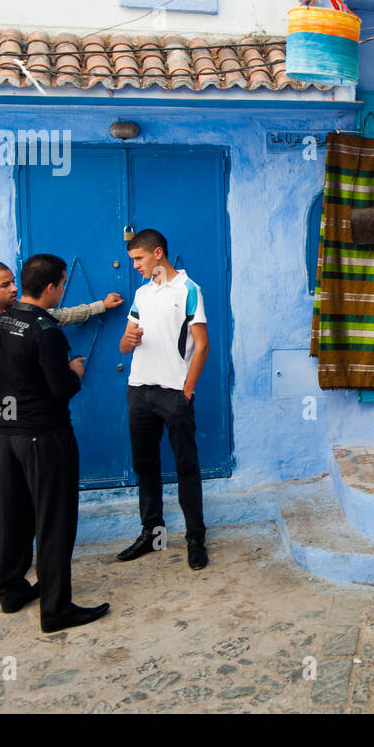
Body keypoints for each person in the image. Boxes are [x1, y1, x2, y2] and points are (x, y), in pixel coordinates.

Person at [0, 260, 121, 576]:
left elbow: (59, 315)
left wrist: (100, 306)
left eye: (13, 281)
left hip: (20, 423)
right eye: (5, 285)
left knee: (23, 496)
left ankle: (15, 569)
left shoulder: (24, 316)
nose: (13, 288)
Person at [0, 254, 109, 633]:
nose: (63, 290)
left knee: (15, 515)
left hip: (8, 434)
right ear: (52, 287)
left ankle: (10, 590)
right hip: (44, 437)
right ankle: (56, 610)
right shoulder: (45, 330)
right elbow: (62, 388)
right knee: (54, 521)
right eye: (63, 284)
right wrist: (75, 370)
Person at [116, 228, 210, 570]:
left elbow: (202, 344)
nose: (135, 265)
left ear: (158, 253)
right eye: (133, 260)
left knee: (186, 466)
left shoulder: (188, 289)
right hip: (139, 390)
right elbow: (124, 346)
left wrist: (187, 390)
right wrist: (127, 341)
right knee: (145, 467)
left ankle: (195, 539)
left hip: (174, 394)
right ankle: (152, 534)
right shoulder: (141, 294)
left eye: (139, 258)